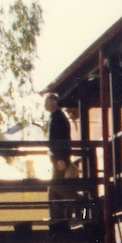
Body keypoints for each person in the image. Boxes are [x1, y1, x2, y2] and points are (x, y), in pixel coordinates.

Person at [44, 94, 75, 227]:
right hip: (58, 159)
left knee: (55, 188)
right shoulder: (56, 117)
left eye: (46, 101)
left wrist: (61, 158)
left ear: (53, 102)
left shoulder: (58, 117)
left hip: (59, 159)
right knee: (56, 188)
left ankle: (61, 217)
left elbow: (62, 140)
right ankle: (60, 217)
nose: (44, 105)